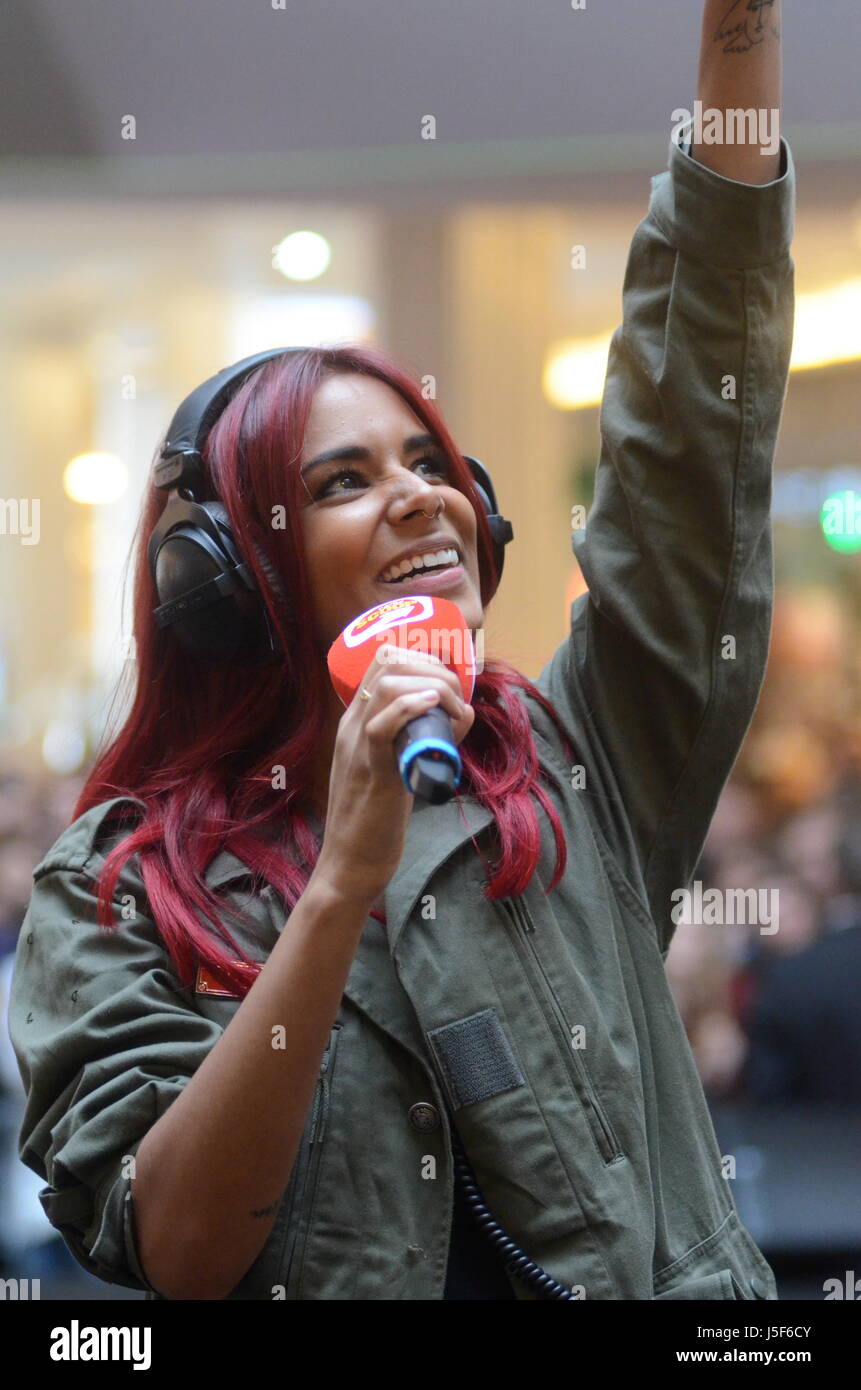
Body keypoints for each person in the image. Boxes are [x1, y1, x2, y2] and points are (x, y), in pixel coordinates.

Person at [8, 1, 795, 1300]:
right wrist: (338, 890)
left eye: (431, 464)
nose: (422, 497)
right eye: (344, 480)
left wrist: (738, 38)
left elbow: (688, 444)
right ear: (224, 581)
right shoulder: (118, 892)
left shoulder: (566, 758)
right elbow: (184, 1243)